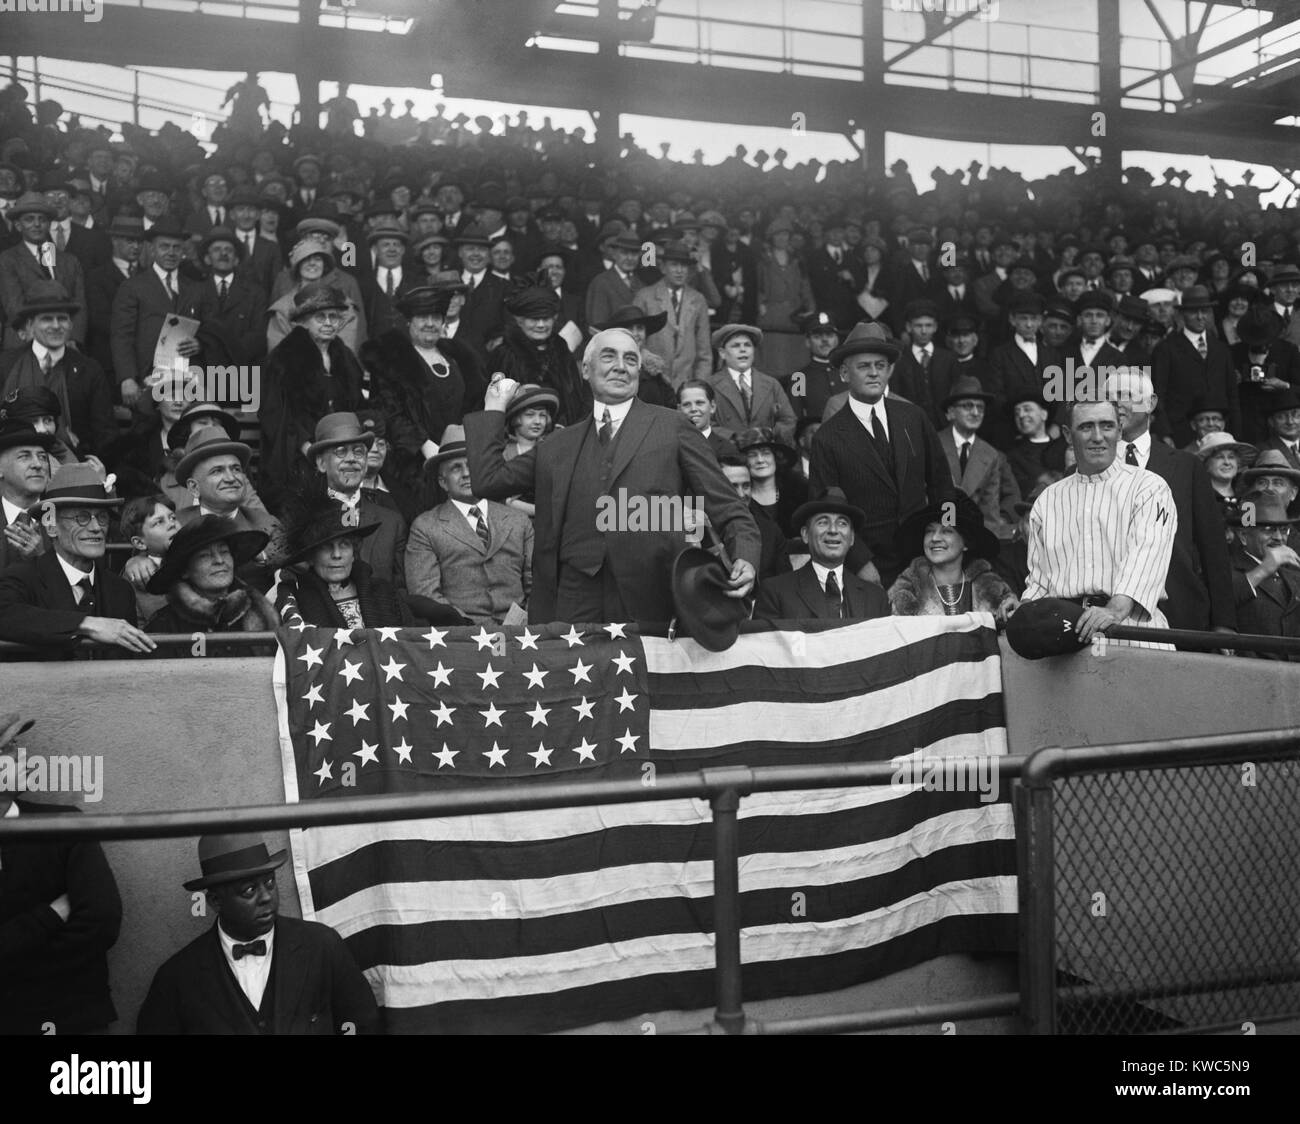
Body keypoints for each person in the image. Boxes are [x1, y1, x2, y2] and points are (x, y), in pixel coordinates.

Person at [465, 328, 759, 624]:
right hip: (573, 597)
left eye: (631, 359)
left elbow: (727, 505)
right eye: (609, 356)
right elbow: (489, 479)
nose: (621, 366)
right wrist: (494, 409)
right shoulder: (557, 445)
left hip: (653, 594)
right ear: (585, 369)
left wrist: (745, 555)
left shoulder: (674, 426)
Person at [137, 833, 381, 1034]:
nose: (266, 897)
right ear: (215, 901)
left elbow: (362, 1025)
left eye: (270, 883)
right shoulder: (177, 979)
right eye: (249, 890)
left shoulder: (322, 946)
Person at [0, 712, 124, 1035]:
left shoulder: (65, 824)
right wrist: (52, 914)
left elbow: (102, 922)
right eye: (9, 747)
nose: (22, 755)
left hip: (76, 1027)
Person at [808, 321, 954, 588]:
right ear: (843, 373)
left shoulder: (914, 418)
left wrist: (947, 536)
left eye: (881, 365)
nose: (874, 373)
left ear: (889, 371)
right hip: (867, 568)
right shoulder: (827, 437)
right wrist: (861, 562)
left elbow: (942, 485)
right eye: (864, 366)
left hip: (922, 558)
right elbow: (826, 510)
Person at [1020, 398, 1177, 646]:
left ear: (1119, 429)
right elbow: (1040, 581)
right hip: (1066, 633)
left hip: (1133, 630)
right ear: (1068, 435)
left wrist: (1114, 610)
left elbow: (1146, 556)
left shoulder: (1149, 487)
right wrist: (1023, 609)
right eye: (1085, 427)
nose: (1097, 436)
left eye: (1106, 426)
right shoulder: (1048, 498)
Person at [1105, 367, 1237, 634]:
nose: (1118, 404)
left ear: (1151, 403)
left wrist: (1224, 622)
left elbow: (1213, 547)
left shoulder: (1187, 467)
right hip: (1108, 612)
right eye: (1110, 397)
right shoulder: (1087, 468)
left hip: (1180, 612)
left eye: (1127, 395)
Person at [0, 462, 155, 654]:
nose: (96, 527)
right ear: (51, 527)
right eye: (81, 518)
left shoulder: (120, 590)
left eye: (102, 517)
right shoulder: (21, 579)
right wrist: (86, 624)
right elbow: (6, 616)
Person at [405, 427, 533, 625]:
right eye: (456, 468)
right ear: (442, 481)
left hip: (521, 636)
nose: (466, 474)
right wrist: (469, 629)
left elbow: (538, 585)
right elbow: (425, 594)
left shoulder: (518, 520)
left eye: (471, 465)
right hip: (460, 639)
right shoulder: (426, 527)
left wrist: (523, 624)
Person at [259, 282, 366, 513]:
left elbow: (358, 405)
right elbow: (274, 414)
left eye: (334, 317)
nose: (329, 323)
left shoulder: (345, 356)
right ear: (303, 321)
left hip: (342, 447)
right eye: (320, 317)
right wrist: (307, 446)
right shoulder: (284, 358)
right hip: (299, 453)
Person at [0, 281, 117, 461]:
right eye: (47, 318)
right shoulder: (6, 365)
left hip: (74, 469)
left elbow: (105, 434)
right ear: (31, 325)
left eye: (62, 318)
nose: (56, 326)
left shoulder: (89, 370)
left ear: (71, 324)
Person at [277, 494, 414, 629]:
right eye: (326, 546)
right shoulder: (296, 602)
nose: (337, 555)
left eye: (344, 545)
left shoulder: (385, 593)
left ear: (354, 553)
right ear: (311, 557)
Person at [754, 489, 890, 622]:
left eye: (842, 523)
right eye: (823, 522)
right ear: (805, 534)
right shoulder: (775, 593)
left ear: (852, 538)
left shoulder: (876, 598)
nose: (833, 530)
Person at [108, 220, 203, 408]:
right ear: (151, 249)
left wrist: (199, 343)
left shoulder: (195, 289)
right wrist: (127, 378)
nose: (171, 252)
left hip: (188, 379)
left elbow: (208, 328)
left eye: (177, 247)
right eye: (164, 246)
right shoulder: (133, 287)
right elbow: (121, 336)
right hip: (147, 378)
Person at [307, 412, 407, 588]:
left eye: (358, 452)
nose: (351, 459)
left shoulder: (392, 522)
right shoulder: (305, 520)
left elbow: (402, 591)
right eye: (341, 452)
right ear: (322, 463)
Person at [888, 491, 1019, 619]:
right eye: (929, 531)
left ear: (966, 543)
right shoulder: (907, 591)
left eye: (947, 531)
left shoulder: (991, 588)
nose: (935, 538)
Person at [144, 515, 278, 635]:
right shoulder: (164, 626)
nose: (219, 560)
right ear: (185, 571)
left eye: (224, 551)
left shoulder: (262, 612)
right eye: (205, 555)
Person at [1151, 285, 1241, 446]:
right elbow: (1158, 394)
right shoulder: (1166, 349)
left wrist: (1236, 433)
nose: (1200, 317)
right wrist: (1165, 433)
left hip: (1220, 433)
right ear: (1182, 314)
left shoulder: (1221, 349)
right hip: (1180, 434)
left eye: (1205, 312)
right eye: (1194, 312)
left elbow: (1232, 395)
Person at [0, 192, 88, 350]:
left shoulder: (69, 261)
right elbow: (14, 306)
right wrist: (44, 336)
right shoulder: (7, 260)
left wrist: (73, 338)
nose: (37, 224)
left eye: (42, 219)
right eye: (29, 219)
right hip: (23, 341)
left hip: (65, 342)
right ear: (18, 225)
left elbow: (79, 304)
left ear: (49, 224)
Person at [937, 374, 1021, 539]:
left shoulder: (990, 455)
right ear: (950, 413)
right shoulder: (933, 445)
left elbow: (989, 512)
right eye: (968, 406)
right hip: (936, 533)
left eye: (980, 407)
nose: (975, 412)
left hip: (972, 537)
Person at [494, 282, 588, 426]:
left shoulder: (562, 352)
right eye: (534, 319)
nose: (541, 325)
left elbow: (574, 401)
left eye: (546, 319)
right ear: (520, 321)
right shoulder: (506, 354)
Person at [1228, 493, 1300, 653]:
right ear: (1244, 536)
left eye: (1283, 530)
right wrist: (1264, 569)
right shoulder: (1226, 569)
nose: (1279, 538)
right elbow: (1222, 601)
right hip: (1250, 673)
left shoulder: (1293, 572)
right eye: (1269, 530)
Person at [633, 241, 712, 385]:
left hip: (686, 385)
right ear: (663, 268)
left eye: (684, 265)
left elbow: (704, 354)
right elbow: (633, 343)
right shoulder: (645, 297)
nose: (680, 270)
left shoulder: (698, 300)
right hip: (651, 382)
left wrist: (699, 387)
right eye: (674, 265)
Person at [705, 324, 797, 443]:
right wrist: (734, 437)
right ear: (722, 353)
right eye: (736, 345)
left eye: (747, 345)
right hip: (726, 455)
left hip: (763, 453)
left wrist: (769, 433)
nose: (743, 349)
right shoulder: (710, 385)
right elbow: (703, 423)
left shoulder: (772, 384)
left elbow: (788, 420)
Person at [718, 453, 789, 580]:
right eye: (732, 487)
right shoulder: (697, 527)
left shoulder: (770, 531)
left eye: (746, 486)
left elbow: (785, 585)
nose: (741, 494)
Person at [0, 418, 52, 572]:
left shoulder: (63, 519)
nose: (38, 464)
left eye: (43, 457)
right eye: (24, 456)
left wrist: (41, 557)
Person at [735, 425, 806, 538]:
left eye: (766, 453)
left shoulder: (800, 491)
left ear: (776, 457)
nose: (760, 460)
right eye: (752, 455)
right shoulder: (739, 494)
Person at [785, 311, 846, 421]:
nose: (825, 340)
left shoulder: (849, 372)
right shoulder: (799, 378)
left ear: (837, 340)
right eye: (817, 336)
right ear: (808, 342)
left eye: (830, 335)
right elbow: (794, 417)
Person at [1195, 431, 1255, 529]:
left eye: (1231, 457)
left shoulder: (1247, 498)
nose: (1227, 462)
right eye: (1220, 457)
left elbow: (1250, 535)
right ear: (1206, 464)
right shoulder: (1198, 498)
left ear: (1238, 464)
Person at [677, 379, 737, 461]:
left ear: (712, 407)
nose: (693, 409)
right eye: (687, 404)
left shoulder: (728, 449)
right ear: (679, 409)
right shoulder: (669, 448)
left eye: (699, 403)